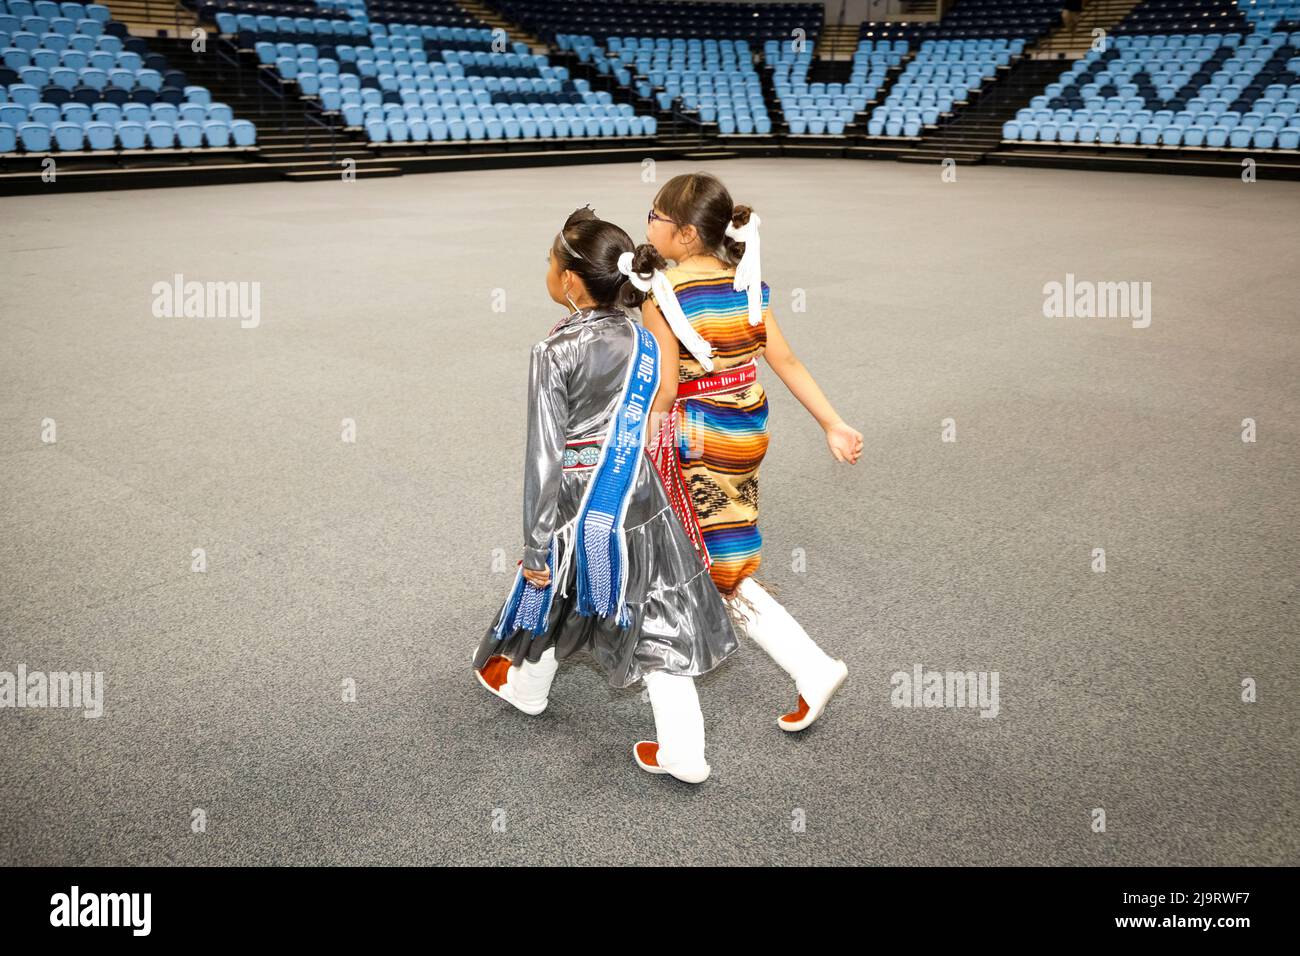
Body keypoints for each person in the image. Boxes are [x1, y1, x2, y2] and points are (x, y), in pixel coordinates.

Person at [472, 206, 739, 784]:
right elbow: (658, 400)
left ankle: (527, 686)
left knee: (554, 584)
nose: (547, 271)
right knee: (654, 607)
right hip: (636, 492)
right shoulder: (641, 337)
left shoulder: (555, 352)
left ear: (569, 280)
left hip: (574, 501)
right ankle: (683, 749)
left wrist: (537, 544)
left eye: (550, 262)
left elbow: (543, 457)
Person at [637, 172, 861, 733]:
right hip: (747, 426)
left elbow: (664, 387)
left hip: (696, 433)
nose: (648, 226)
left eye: (655, 217)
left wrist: (644, 440)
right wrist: (832, 423)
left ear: (686, 234)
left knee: (685, 554)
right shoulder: (746, 281)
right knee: (718, 546)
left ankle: (679, 676)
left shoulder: (661, 294)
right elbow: (783, 360)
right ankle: (805, 666)